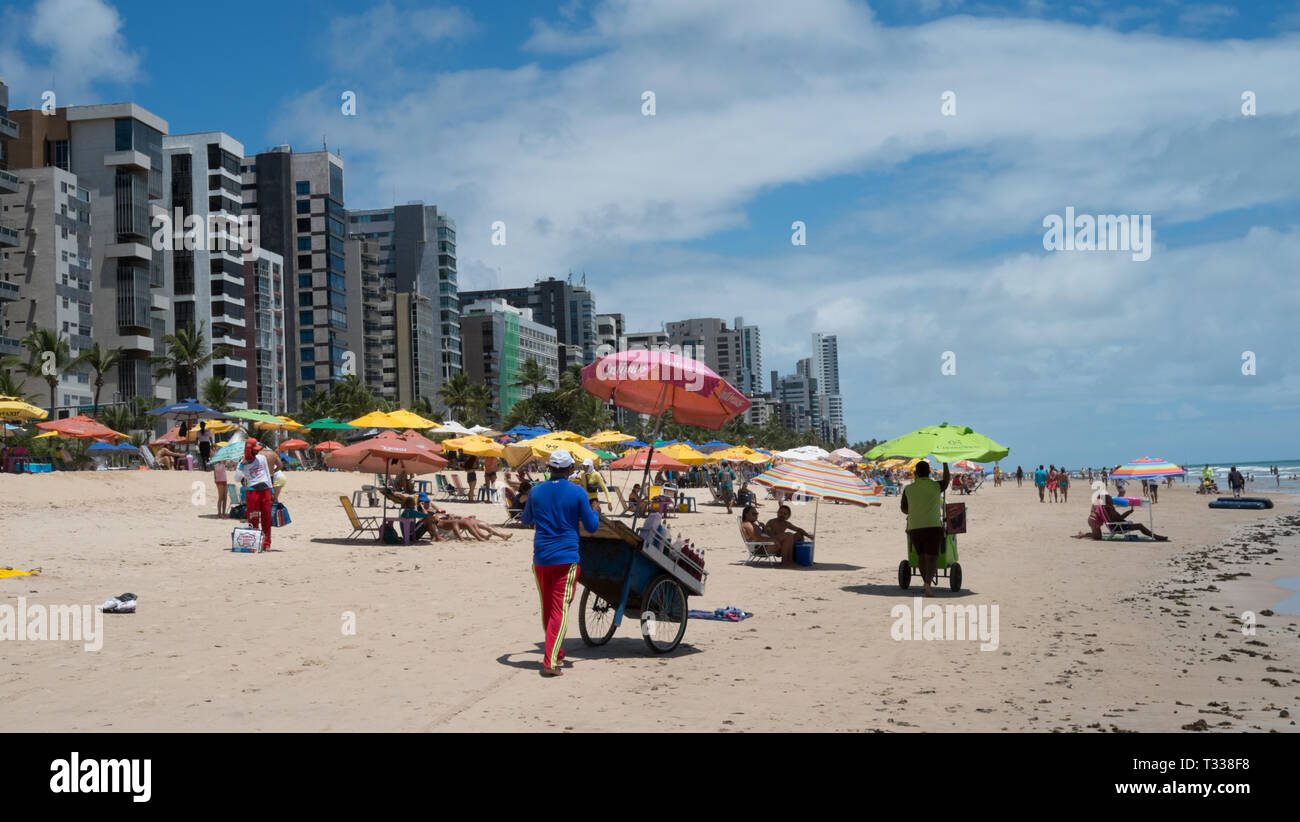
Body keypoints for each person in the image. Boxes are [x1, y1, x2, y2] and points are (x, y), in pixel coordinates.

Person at [521, 449, 599, 676]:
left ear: (549, 468)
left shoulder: (536, 492)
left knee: (548, 607)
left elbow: (526, 519)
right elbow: (592, 527)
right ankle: (551, 660)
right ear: (570, 470)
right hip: (566, 557)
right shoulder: (577, 492)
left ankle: (556, 650)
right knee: (559, 609)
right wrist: (595, 510)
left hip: (541, 557)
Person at [901, 460, 950, 597]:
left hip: (914, 527)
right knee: (932, 557)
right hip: (933, 526)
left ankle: (925, 582)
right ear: (929, 472)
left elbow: (904, 509)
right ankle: (928, 583)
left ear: (916, 473)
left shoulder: (908, 489)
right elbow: (946, 480)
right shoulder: (935, 486)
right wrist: (945, 464)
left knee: (921, 557)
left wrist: (916, 509)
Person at [233, 439, 274, 551]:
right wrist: (242, 465)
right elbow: (236, 478)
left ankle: (267, 543)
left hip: (265, 490)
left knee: (266, 517)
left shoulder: (262, 458)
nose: (257, 453)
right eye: (254, 450)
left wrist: (271, 490)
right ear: (248, 450)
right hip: (252, 492)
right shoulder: (242, 462)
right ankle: (256, 543)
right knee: (253, 518)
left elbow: (266, 473)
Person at [1073, 494, 1168, 540]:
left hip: (1114, 524)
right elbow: (1119, 518)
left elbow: (1118, 517)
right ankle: (1155, 536)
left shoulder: (1106, 508)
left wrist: (1128, 512)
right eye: (1110, 499)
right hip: (1118, 526)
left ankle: (1083, 534)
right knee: (1140, 526)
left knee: (1097, 536)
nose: (1112, 500)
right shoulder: (1109, 509)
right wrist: (1128, 512)